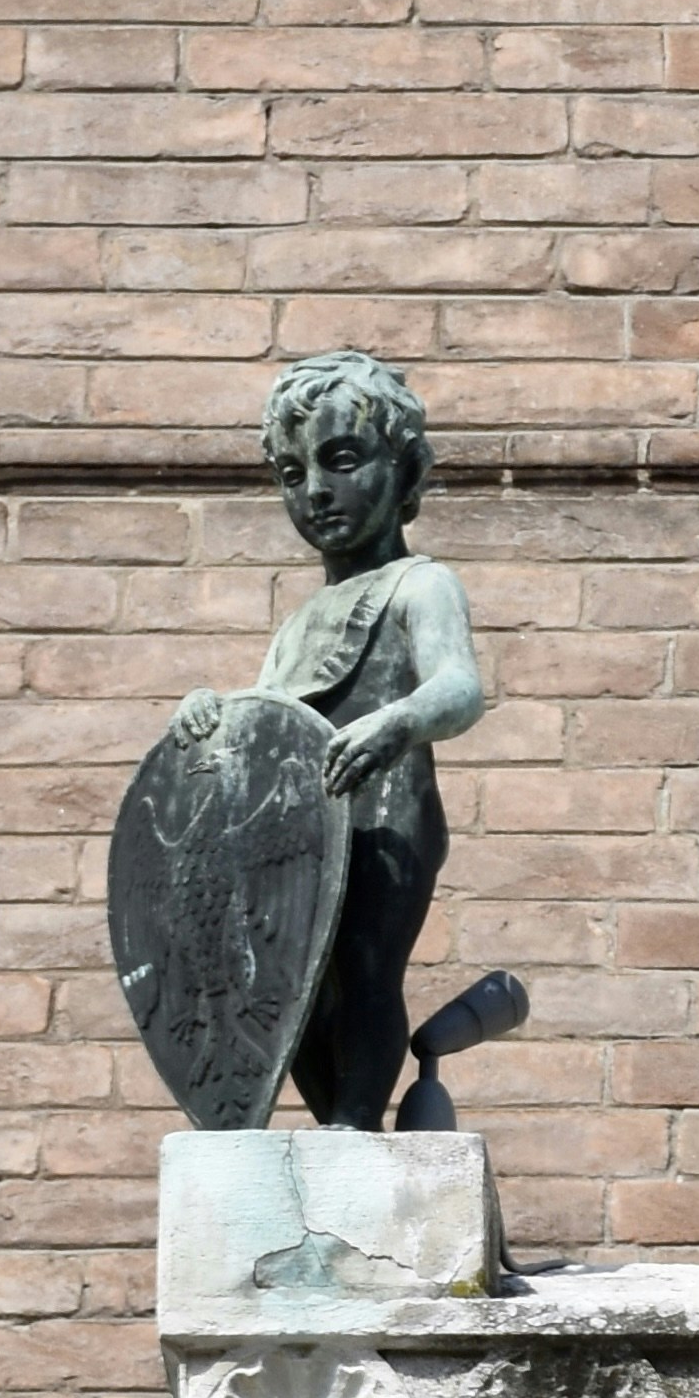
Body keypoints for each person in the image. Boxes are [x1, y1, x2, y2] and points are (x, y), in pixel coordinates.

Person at [172, 352, 485, 1124]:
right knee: (284, 981)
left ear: (405, 469)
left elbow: (460, 688)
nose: (315, 490)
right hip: (300, 826)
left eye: (341, 460)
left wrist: (397, 720)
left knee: (364, 967)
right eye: (291, 472)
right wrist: (209, 713)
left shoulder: (422, 585)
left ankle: (353, 1122)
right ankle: (335, 1123)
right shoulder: (296, 623)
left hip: (388, 810)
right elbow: (266, 722)